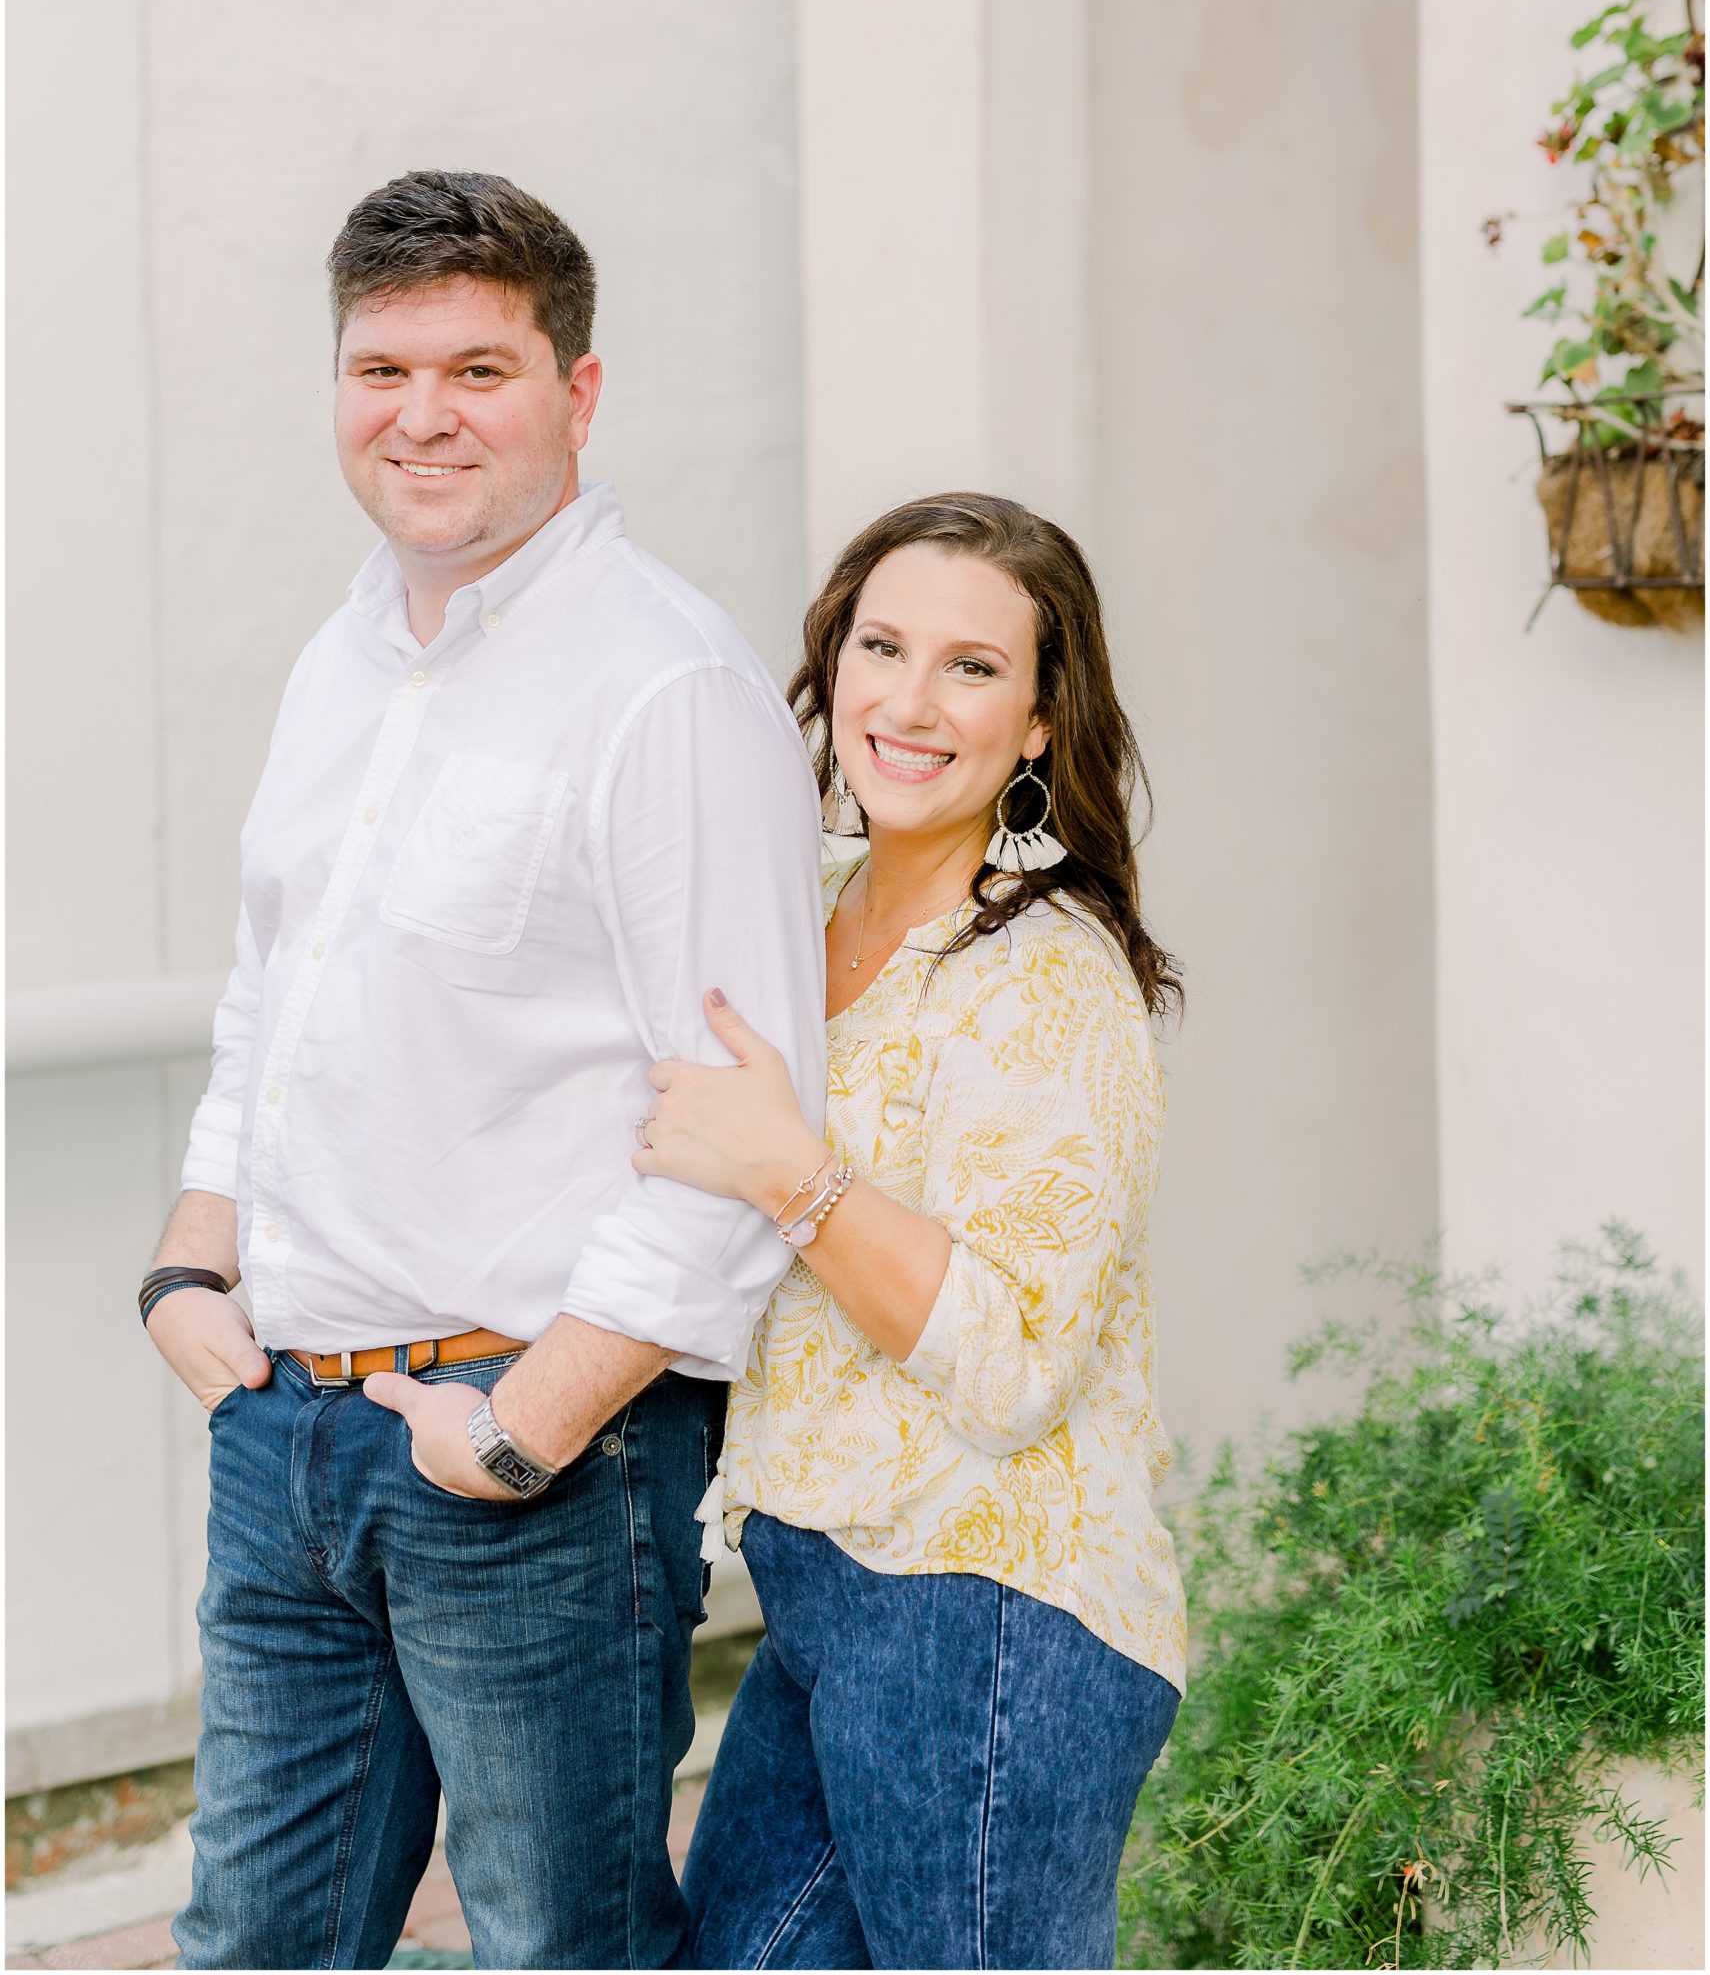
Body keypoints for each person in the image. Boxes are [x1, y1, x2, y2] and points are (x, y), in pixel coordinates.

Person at [140, 170, 826, 1971]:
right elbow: (267, 996)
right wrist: (188, 1265)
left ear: (577, 395)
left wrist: (526, 1435)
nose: (420, 415)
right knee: (251, 1946)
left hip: (524, 1455)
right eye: (381, 368)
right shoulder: (341, 656)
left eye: (477, 368)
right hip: (286, 1424)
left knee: (564, 1949)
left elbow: (738, 1120)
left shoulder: (664, 686)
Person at [633, 492, 1188, 1972]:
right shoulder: (796, 905)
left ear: (1036, 719)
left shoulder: (1044, 972)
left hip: (990, 1603)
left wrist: (787, 1176)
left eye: (969, 667)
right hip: (827, 1584)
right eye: (882, 647)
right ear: (832, 662)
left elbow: (1010, 1365)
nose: (910, 699)